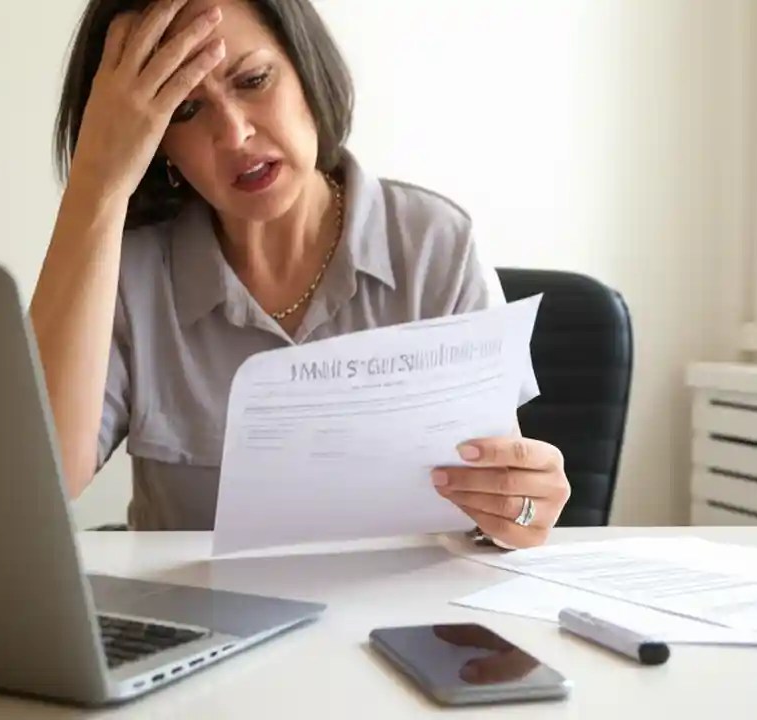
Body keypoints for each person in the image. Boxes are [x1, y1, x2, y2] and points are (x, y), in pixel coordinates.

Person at [30, 0, 571, 548]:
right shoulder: (132, 271)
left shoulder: (436, 246)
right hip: (205, 621)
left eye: (254, 79)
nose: (235, 134)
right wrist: (97, 182)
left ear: (306, 71)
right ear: (157, 142)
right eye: (186, 111)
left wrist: (518, 512)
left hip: (391, 618)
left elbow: (498, 510)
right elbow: (39, 483)